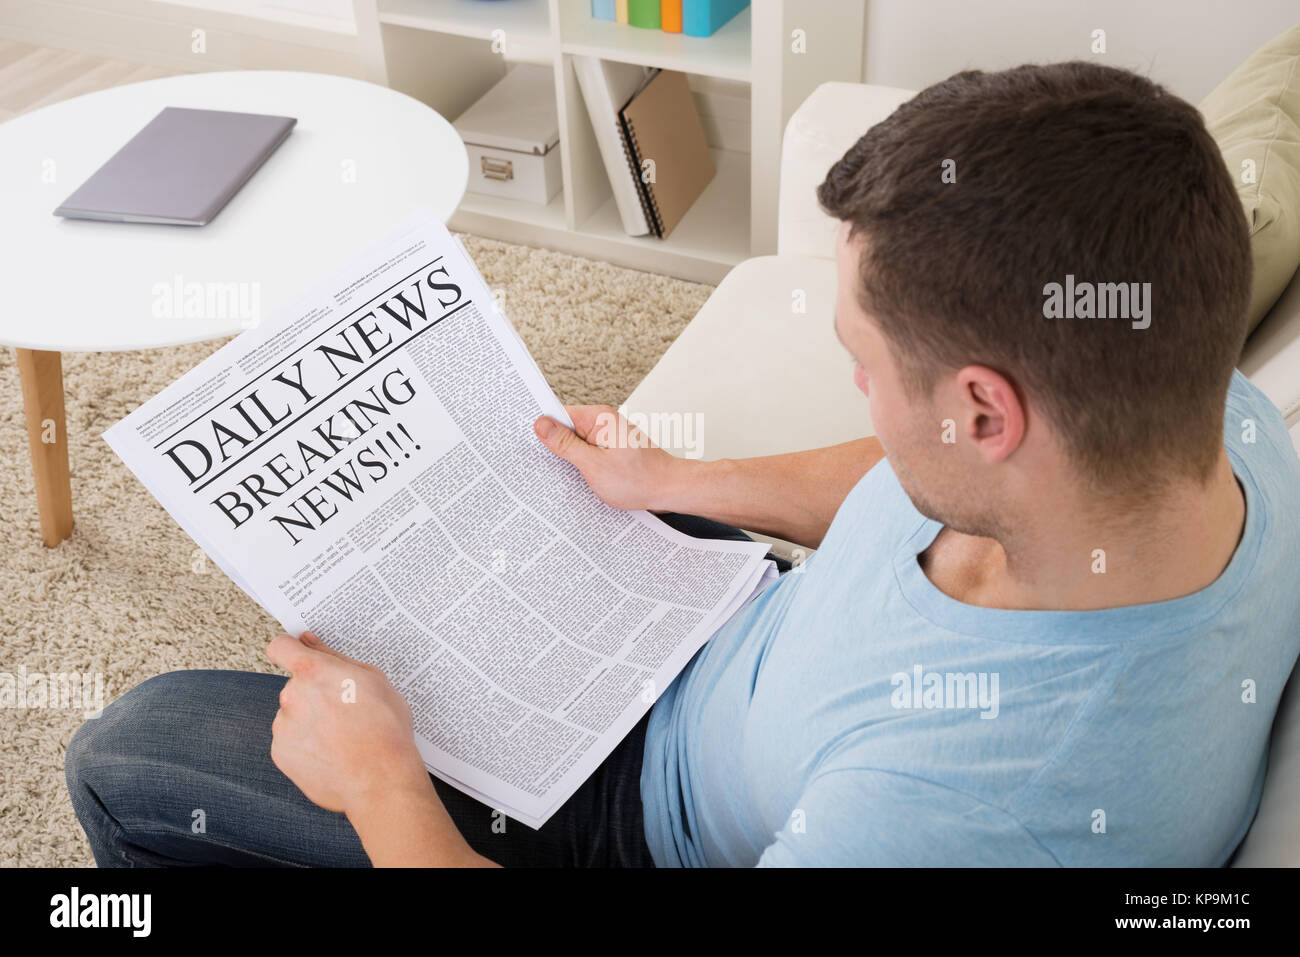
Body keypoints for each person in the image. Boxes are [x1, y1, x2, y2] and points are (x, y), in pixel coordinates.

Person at [66, 60, 1300, 867]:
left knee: (130, 753)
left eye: (864, 364)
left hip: (638, 827)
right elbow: (900, 494)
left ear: (984, 412)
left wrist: (386, 788)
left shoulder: (945, 818)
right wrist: (674, 486)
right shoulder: (1209, 413)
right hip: (741, 627)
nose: (860, 396)